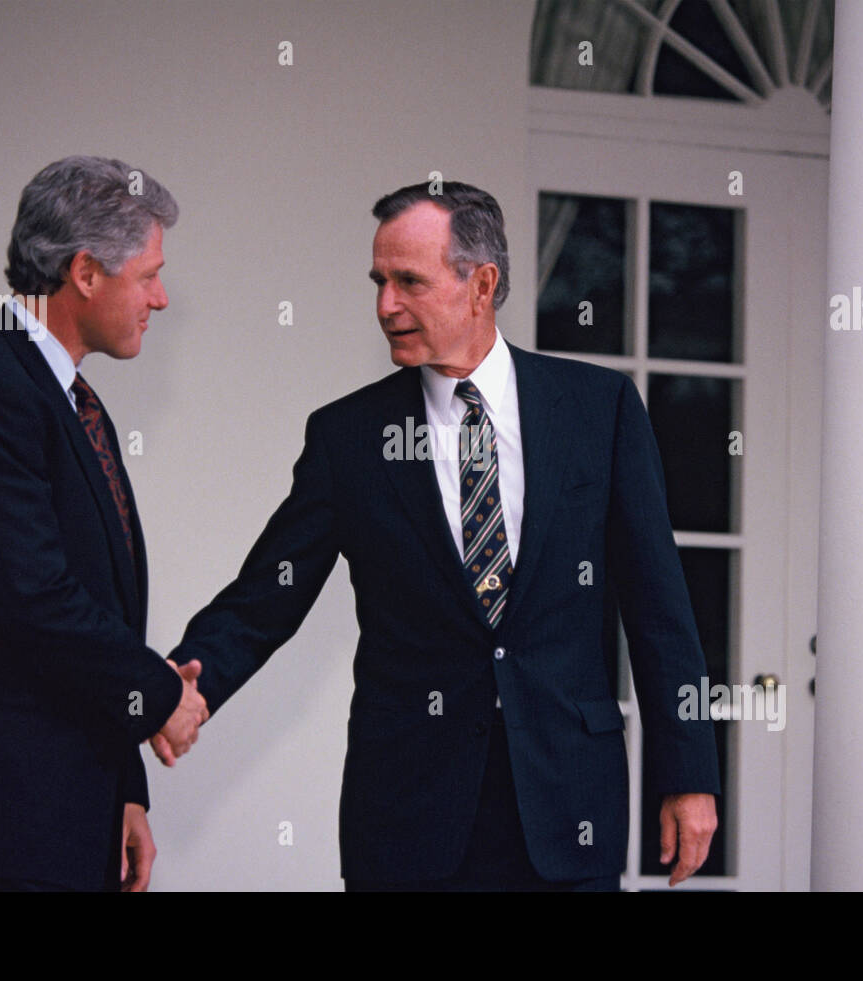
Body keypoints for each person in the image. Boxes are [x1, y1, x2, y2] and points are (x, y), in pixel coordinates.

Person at [169, 181, 719, 890]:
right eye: (378, 282)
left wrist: (690, 773)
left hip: (565, 807)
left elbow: (660, 609)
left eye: (408, 282)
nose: (384, 306)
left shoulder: (598, 409)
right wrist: (186, 685)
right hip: (407, 820)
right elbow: (268, 593)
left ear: (481, 284)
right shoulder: (349, 437)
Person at [0, 156, 208, 892]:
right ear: (85, 272)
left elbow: (98, 616)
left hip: (63, 813)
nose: (159, 296)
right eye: (148, 274)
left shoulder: (64, 399)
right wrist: (160, 697)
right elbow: (33, 600)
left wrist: (123, 789)